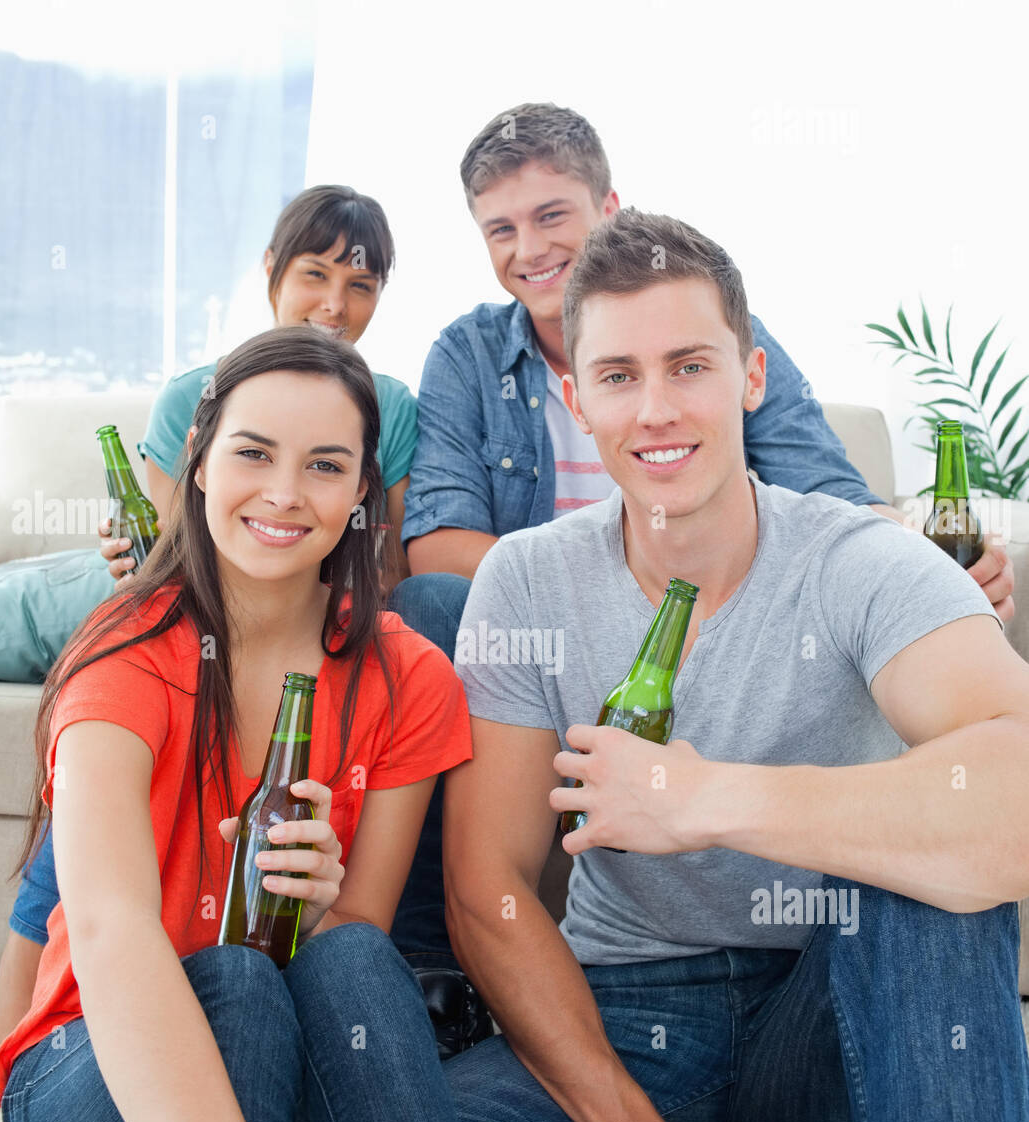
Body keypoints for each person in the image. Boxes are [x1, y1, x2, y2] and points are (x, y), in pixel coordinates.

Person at [439, 210, 1029, 1122]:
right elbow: (487, 891)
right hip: (626, 1012)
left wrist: (710, 798)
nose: (655, 408)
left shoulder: (857, 559)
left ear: (751, 376)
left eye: (689, 366)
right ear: (579, 404)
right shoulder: (523, 582)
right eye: (617, 375)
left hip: (829, 1009)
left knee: (925, 887)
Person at [387, 101, 1015, 966]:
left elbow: (830, 489)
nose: (528, 249)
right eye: (501, 228)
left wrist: (919, 573)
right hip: (553, 630)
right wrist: (573, 588)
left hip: (812, 945)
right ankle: (430, 973)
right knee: (430, 601)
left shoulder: (724, 331)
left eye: (551, 216)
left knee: (937, 886)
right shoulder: (467, 356)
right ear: (579, 394)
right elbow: (441, 538)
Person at [0, 326, 487, 1122]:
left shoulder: (409, 676)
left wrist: (328, 899)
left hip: (274, 1070)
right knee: (229, 980)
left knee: (347, 956)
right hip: (92, 1088)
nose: (283, 492)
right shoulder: (126, 649)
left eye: (325, 466)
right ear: (200, 463)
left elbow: (352, 962)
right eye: (253, 452)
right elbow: (106, 924)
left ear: (360, 500)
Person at [0, 185, 420, 1049]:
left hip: (283, 600)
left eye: (361, 285)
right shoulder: (196, 393)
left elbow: (386, 561)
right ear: (271, 272)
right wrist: (136, 569)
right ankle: (9, 1042)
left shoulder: (391, 406)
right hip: (138, 595)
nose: (335, 302)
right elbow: (170, 558)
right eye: (314, 273)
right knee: (69, 663)